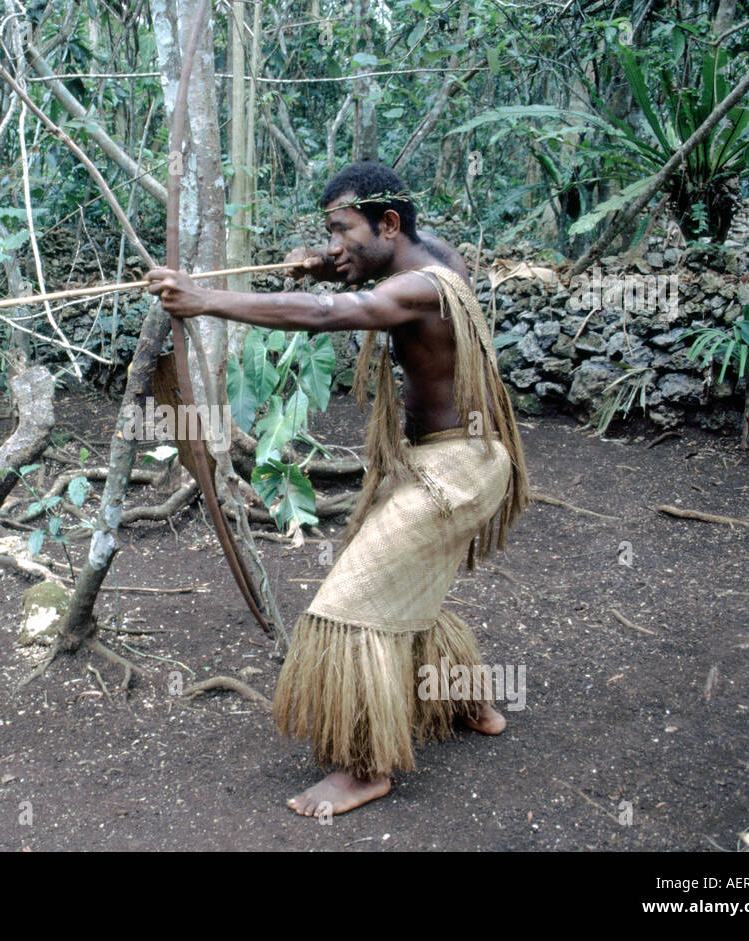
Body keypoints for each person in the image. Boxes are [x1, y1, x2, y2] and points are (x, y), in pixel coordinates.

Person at [145, 160, 529, 817]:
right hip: (469, 462)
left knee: (348, 603)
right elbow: (354, 279)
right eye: (329, 233)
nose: (332, 243)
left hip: (453, 473)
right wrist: (333, 263)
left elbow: (329, 316)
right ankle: (466, 700)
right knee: (413, 585)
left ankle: (364, 766)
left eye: (341, 230)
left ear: (387, 223)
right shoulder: (435, 253)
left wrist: (204, 299)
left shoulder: (416, 288)